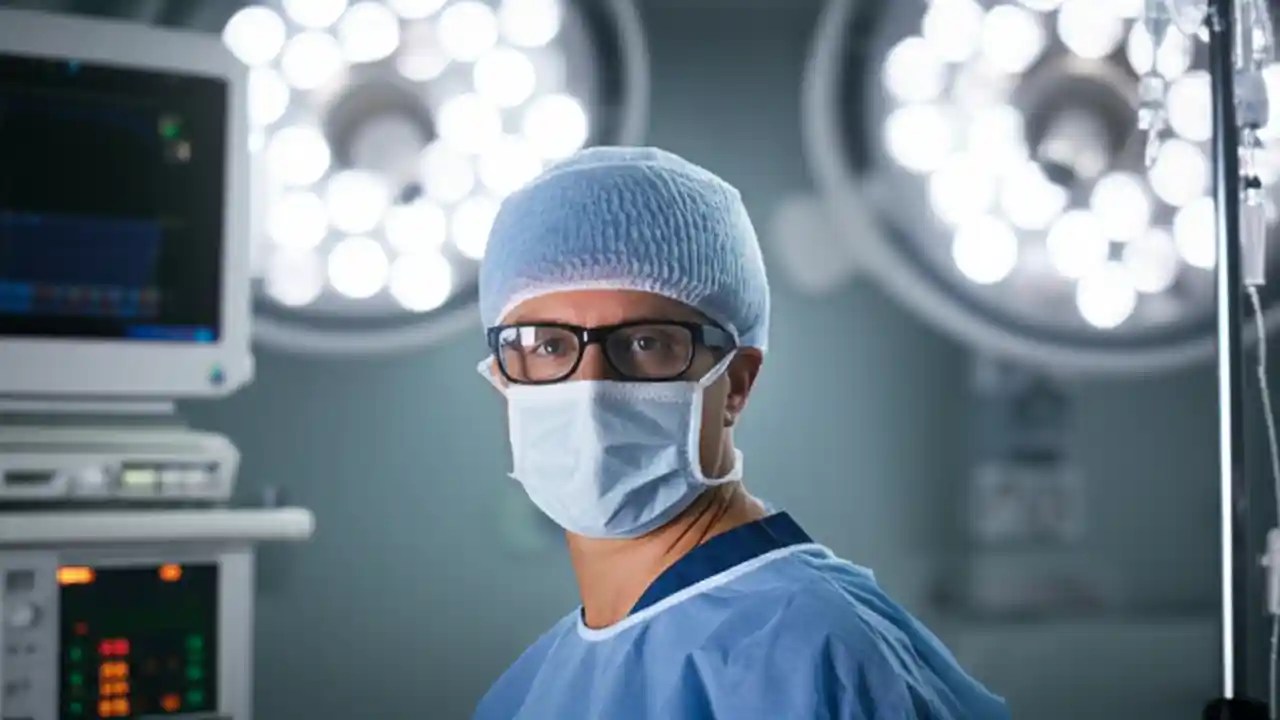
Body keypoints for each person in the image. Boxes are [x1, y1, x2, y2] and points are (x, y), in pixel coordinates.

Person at [472, 146, 1009, 719]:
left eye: (646, 343)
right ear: (504, 378)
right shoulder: (528, 691)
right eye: (548, 346)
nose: (592, 387)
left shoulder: (817, 655)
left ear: (736, 383)